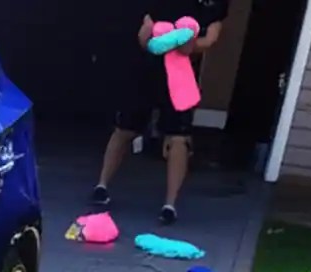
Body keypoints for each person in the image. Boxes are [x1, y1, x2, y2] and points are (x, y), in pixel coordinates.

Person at [91, 0, 229, 225]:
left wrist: (190, 46)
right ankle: (102, 186)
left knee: (178, 139)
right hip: (146, 71)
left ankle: (169, 205)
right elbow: (144, 30)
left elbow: (211, 38)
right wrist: (151, 42)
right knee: (125, 128)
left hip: (180, 76)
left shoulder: (214, 4)